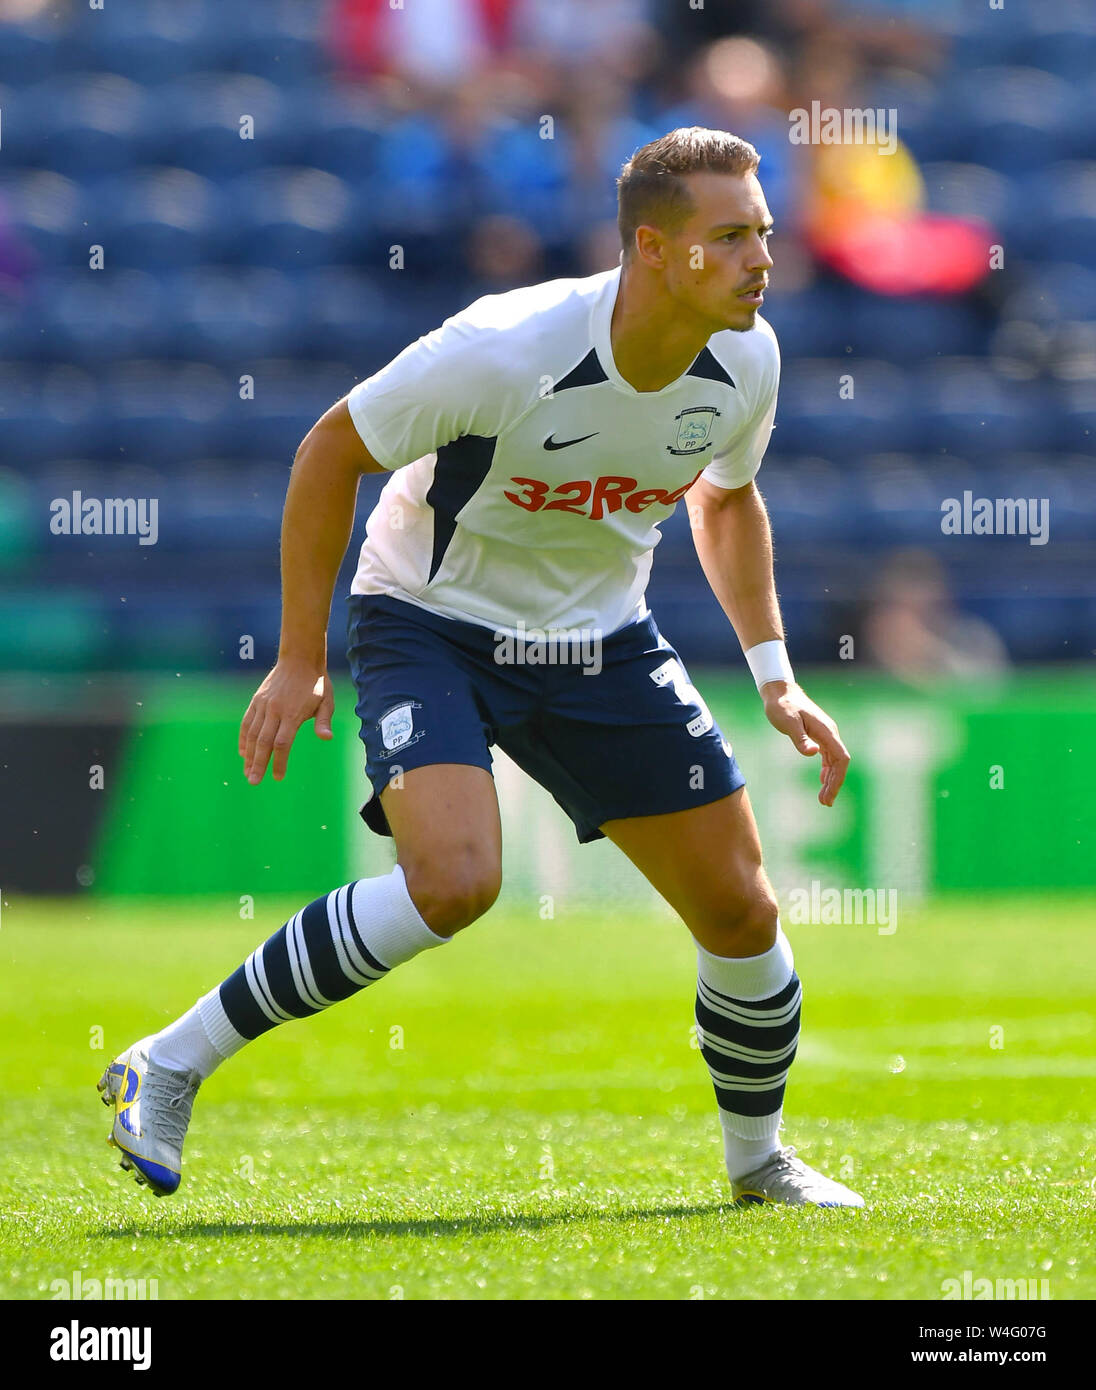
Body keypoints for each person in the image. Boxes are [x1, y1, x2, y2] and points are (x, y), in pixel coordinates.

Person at [98, 127, 861, 1208]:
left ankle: (758, 1163)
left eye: (764, 233)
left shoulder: (748, 360)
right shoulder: (505, 346)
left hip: (598, 637)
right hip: (429, 621)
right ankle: (165, 1063)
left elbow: (724, 498)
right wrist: (299, 655)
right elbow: (330, 449)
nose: (761, 259)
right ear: (652, 247)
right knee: (454, 883)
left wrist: (776, 671)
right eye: (730, 236)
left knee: (740, 912)